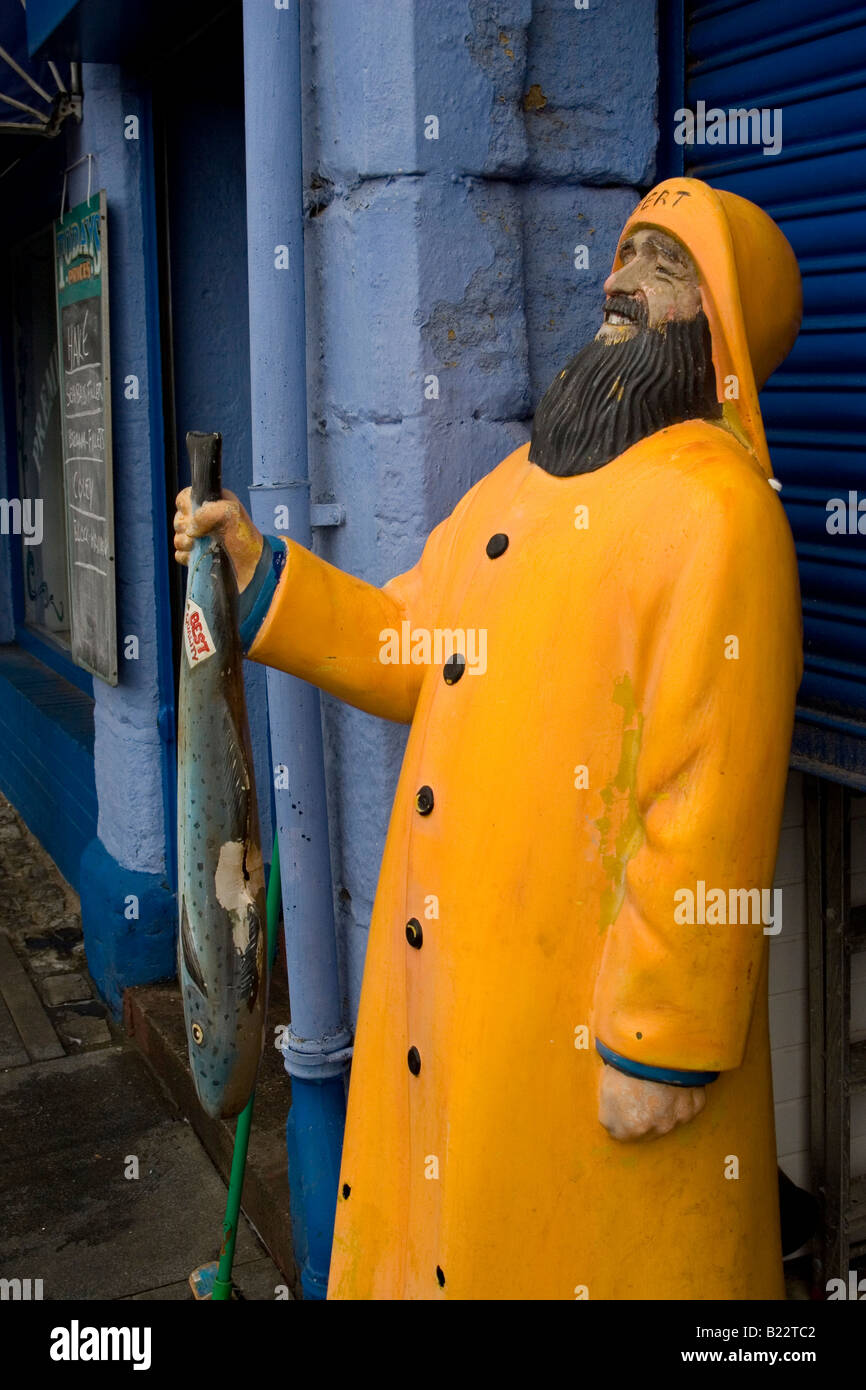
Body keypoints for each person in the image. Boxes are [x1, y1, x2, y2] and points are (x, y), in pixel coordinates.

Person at [174, 177, 803, 1300]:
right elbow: (412, 636)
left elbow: (708, 795)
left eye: (661, 269)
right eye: (624, 258)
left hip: (582, 1018)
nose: (616, 283)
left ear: (719, 329)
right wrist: (255, 570)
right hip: (462, 989)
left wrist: (659, 1037)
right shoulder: (513, 487)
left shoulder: (719, 515)